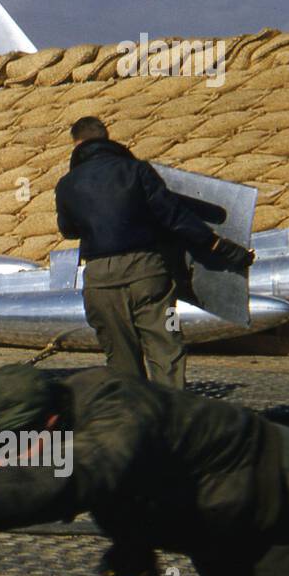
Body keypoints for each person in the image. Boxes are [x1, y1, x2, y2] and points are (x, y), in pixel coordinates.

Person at [0, 364, 289, 576]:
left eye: (13, 448)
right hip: (219, 516)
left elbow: (87, 472)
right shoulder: (72, 421)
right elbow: (130, 485)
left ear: (48, 425)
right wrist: (133, 547)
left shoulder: (116, 410)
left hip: (283, 494)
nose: (2, 462)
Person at [55, 116, 252, 389]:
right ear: (106, 137)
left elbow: (68, 231)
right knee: (167, 349)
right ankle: (172, 420)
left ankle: (137, 423)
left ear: (76, 143)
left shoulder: (66, 185)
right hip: (149, 275)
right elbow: (174, 217)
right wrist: (219, 246)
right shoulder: (138, 170)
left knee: (121, 362)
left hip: (100, 282)